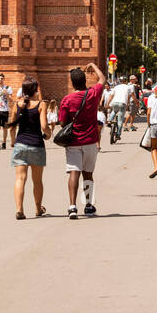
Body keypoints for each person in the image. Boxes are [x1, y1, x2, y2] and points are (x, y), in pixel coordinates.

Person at [57, 64, 105, 218]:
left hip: (73, 142)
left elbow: (63, 122)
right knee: (88, 174)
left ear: (72, 83)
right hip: (91, 140)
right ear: (85, 80)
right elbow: (103, 79)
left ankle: (72, 207)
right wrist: (92, 66)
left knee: (73, 172)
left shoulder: (67, 99)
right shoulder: (93, 93)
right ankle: (89, 205)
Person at [8, 78, 49, 219]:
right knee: (37, 181)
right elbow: (44, 126)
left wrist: (13, 141)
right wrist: (48, 134)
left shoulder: (17, 105)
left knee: (20, 178)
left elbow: (12, 127)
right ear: (35, 90)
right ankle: (38, 209)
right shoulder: (41, 104)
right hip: (36, 145)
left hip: (20, 145)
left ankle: (19, 209)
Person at [107, 75, 131, 139]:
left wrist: (108, 103)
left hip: (114, 102)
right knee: (120, 120)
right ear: (126, 81)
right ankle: (118, 135)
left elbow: (111, 96)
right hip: (122, 103)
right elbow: (128, 97)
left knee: (114, 111)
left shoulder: (116, 87)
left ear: (120, 81)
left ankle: (109, 120)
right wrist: (128, 105)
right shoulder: (128, 87)